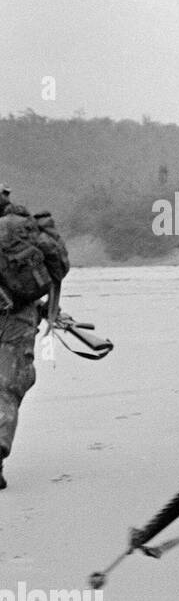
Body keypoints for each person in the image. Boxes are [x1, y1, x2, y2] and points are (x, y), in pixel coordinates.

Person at [0, 185, 68, 491]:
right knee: (9, 387)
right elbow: (52, 271)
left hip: (16, 312)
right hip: (21, 317)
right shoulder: (25, 228)